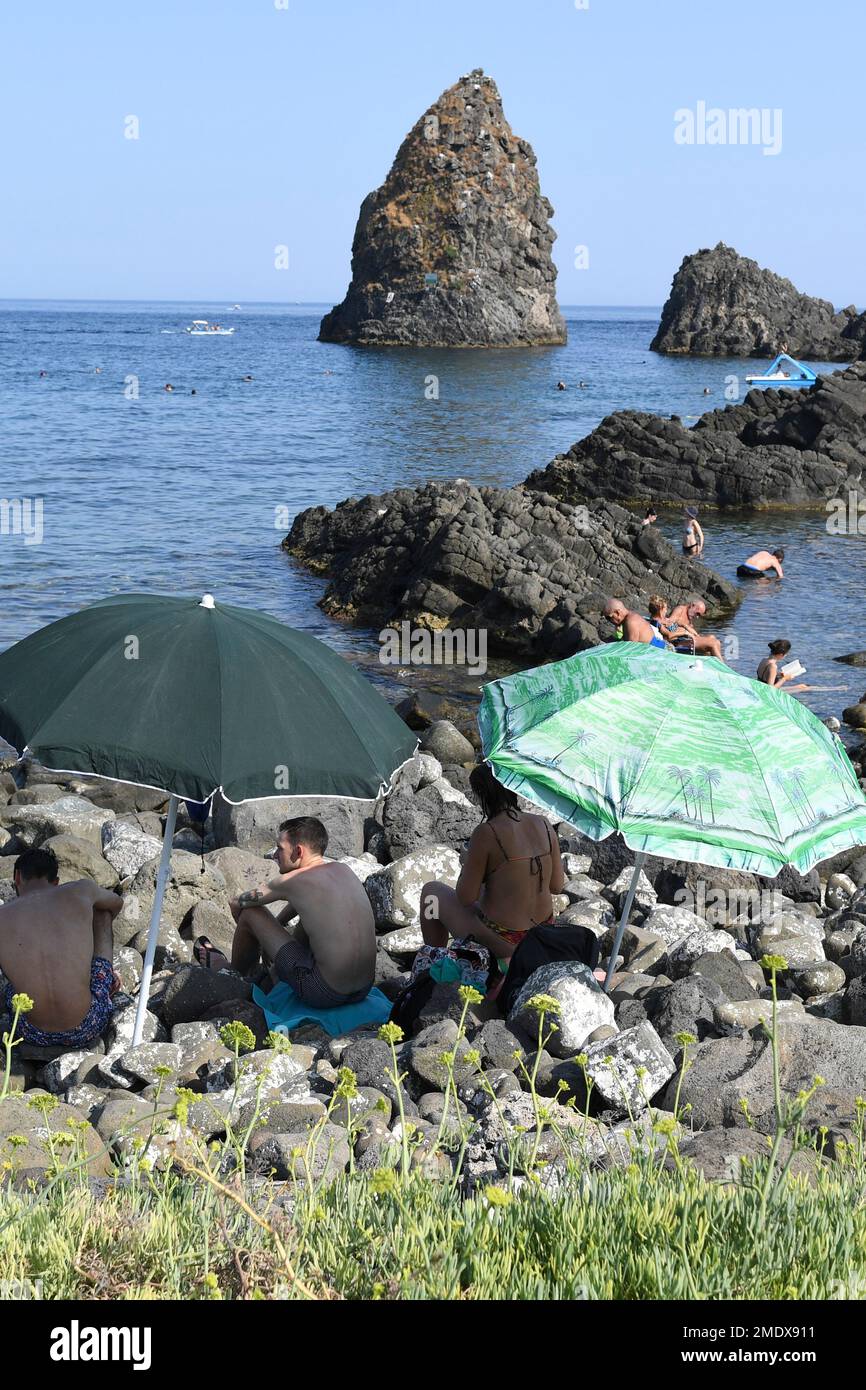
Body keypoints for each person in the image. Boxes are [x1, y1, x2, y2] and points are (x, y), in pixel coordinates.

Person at [194, 817, 375, 1007]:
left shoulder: (292, 880)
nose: (274, 855)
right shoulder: (343, 870)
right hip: (363, 989)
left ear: (298, 851)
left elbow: (237, 903)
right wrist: (273, 931)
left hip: (324, 993)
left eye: (280, 848)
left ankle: (233, 974)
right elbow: (302, 902)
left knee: (250, 913)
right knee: (310, 920)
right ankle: (270, 972)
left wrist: (257, 938)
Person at [418, 764, 564, 966]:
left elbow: (465, 897)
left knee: (431, 894)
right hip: (542, 934)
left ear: (481, 796)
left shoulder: (487, 833)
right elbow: (556, 886)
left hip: (505, 941)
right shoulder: (545, 824)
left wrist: (466, 863)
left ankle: (434, 963)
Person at [0, 848, 123, 1048]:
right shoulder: (81, 890)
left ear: (17, 877)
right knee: (102, 911)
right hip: (87, 1026)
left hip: (30, 1032)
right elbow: (116, 903)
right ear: (56, 882)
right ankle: (105, 976)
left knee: (10, 985)